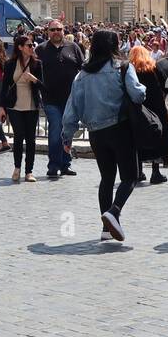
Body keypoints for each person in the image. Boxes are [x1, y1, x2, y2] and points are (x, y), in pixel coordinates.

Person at [61, 29, 145, 242]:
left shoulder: (82, 74)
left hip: (96, 133)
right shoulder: (122, 67)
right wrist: (143, 88)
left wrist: (67, 136)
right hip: (120, 129)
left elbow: (72, 108)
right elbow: (137, 94)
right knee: (130, 177)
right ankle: (114, 212)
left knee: (107, 178)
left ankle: (106, 230)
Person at [35, 21, 83, 178]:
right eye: (52, 29)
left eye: (59, 29)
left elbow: (83, 68)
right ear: (48, 31)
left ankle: (65, 163)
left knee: (67, 131)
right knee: (56, 129)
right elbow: (33, 71)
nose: (56, 32)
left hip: (71, 98)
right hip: (50, 98)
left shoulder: (73, 47)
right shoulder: (41, 49)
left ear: (64, 31)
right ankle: (53, 165)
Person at [0, 32, 44, 182]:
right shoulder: (10, 64)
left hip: (32, 106)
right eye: (29, 45)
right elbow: (4, 86)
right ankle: (17, 168)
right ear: (20, 47)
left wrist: (34, 79)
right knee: (19, 137)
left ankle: (29, 171)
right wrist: (1, 107)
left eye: (32, 45)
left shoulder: (37, 64)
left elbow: (44, 86)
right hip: (15, 106)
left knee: (31, 139)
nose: (32, 47)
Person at [128, 45, 168, 185]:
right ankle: (155, 172)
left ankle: (139, 172)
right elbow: (167, 86)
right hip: (156, 108)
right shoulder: (154, 67)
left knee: (136, 138)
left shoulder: (129, 69)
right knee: (157, 137)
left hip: (138, 108)